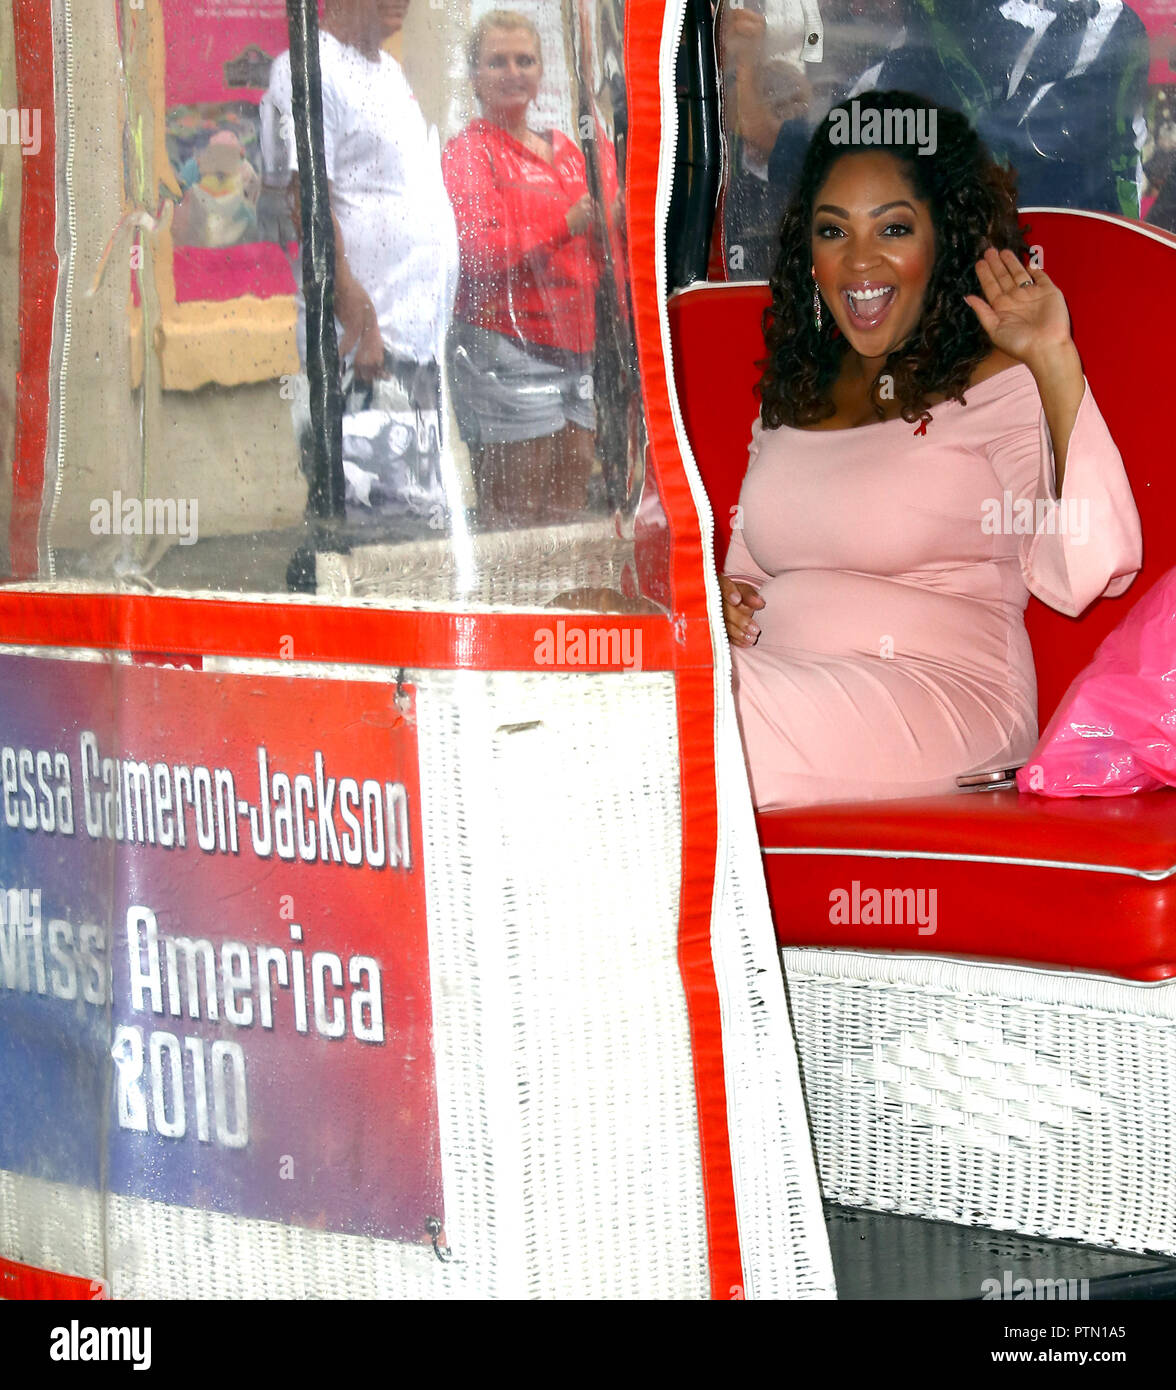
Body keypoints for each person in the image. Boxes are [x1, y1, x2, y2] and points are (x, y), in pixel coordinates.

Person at [720, 90, 1142, 809]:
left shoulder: (997, 381)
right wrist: (722, 598)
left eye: (893, 229)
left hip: (948, 703)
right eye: (833, 232)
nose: (860, 263)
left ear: (944, 240)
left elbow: (1083, 572)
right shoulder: (795, 387)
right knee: (635, 680)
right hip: (775, 677)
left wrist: (1054, 361)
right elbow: (749, 571)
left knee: (689, 707)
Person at [260, 0, 458, 516]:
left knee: (416, 508)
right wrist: (355, 309)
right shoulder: (308, 66)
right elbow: (305, 203)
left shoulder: (388, 69)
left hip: (412, 340)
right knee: (363, 511)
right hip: (362, 342)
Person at [441, 10, 619, 527]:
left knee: (565, 509)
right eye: (497, 62)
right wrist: (567, 222)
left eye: (525, 60)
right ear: (473, 77)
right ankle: (508, 610)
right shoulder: (470, 152)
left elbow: (617, 227)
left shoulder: (572, 149)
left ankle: (559, 609)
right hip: (507, 348)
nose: (513, 72)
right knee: (515, 517)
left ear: (542, 73)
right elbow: (478, 254)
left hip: (579, 349)